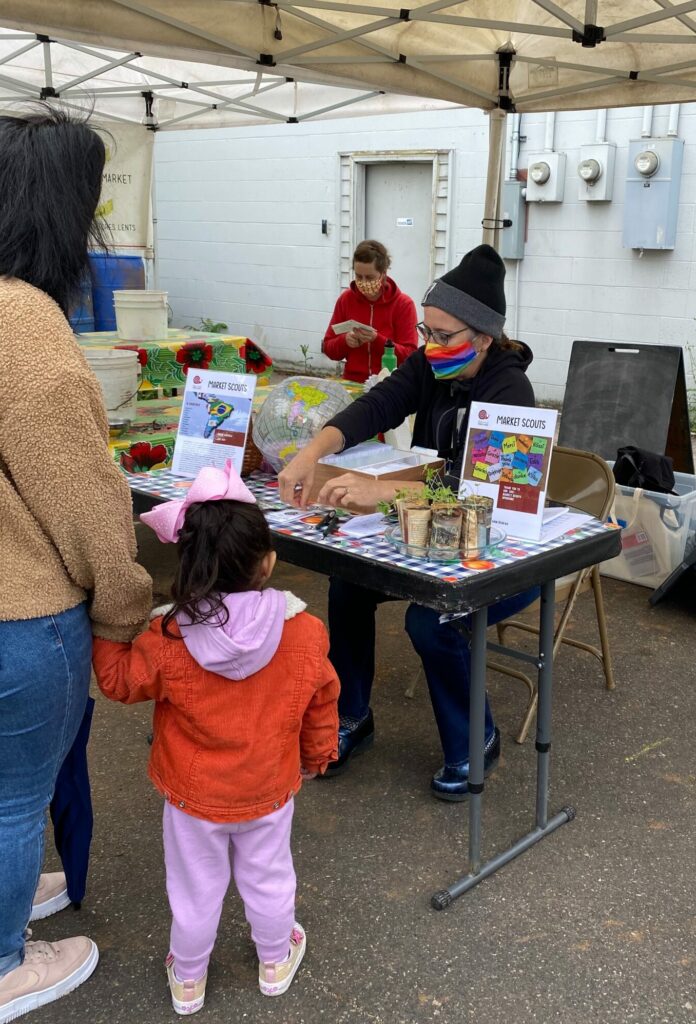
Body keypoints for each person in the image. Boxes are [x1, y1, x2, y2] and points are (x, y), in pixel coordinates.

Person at [279, 244, 537, 801]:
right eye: (426, 331)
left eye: (444, 335)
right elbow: (374, 406)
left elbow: (486, 494)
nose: (431, 345)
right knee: (348, 583)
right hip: (428, 535)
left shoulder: (510, 391)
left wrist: (384, 492)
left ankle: (475, 739)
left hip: (503, 552)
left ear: (484, 338)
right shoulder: (431, 366)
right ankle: (350, 716)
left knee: (432, 621)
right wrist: (309, 452)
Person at [0, 108, 153, 1024]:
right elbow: (82, 495)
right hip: (20, 615)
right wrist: (126, 604)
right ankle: (5, 963)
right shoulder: (23, 318)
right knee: (14, 800)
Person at [92, 462, 339, 1015]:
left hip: (193, 795)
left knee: (194, 889)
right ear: (268, 562)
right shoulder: (305, 632)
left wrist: (109, 625)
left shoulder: (167, 638)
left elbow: (118, 682)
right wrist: (317, 753)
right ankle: (275, 959)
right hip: (269, 787)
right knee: (269, 877)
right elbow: (322, 699)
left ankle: (188, 978)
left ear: (190, 563)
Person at [321, 239, 418, 382]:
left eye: (370, 277)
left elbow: (410, 356)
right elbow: (328, 348)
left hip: (390, 383)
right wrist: (345, 341)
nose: (364, 282)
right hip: (353, 381)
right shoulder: (346, 300)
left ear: (383, 273)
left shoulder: (403, 305)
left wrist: (377, 340)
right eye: (358, 276)